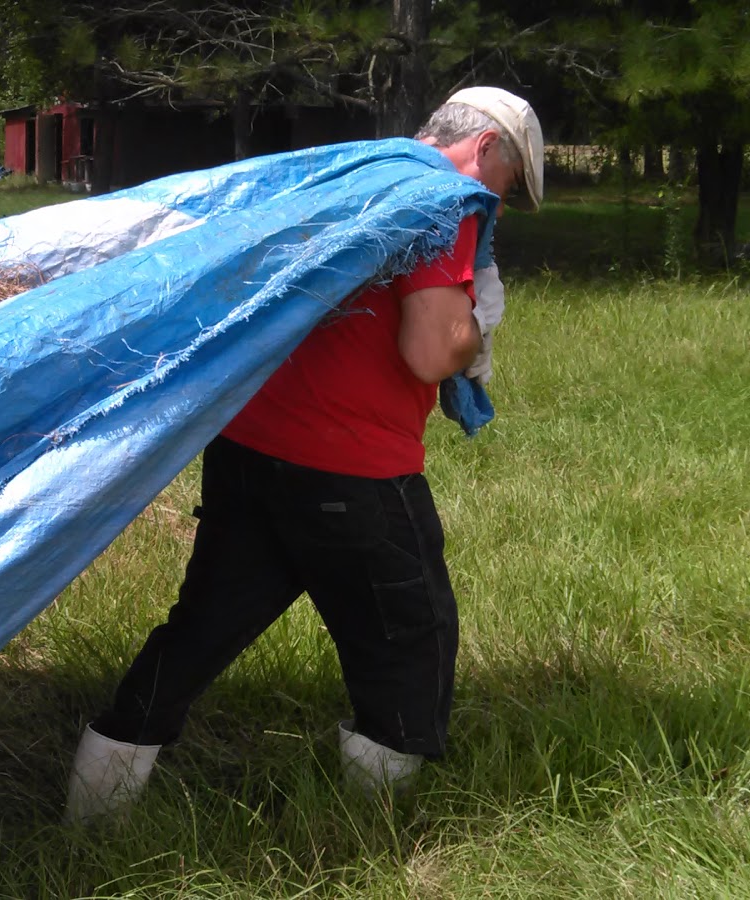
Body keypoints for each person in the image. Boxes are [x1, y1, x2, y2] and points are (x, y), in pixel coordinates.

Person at [64, 86, 545, 822]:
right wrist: (474, 328)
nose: (496, 210)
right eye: (505, 186)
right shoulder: (443, 198)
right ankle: (371, 838)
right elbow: (429, 350)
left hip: (249, 445)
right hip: (350, 470)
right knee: (412, 643)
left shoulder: (357, 171)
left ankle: (95, 808)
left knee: (200, 630)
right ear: (483, 150)